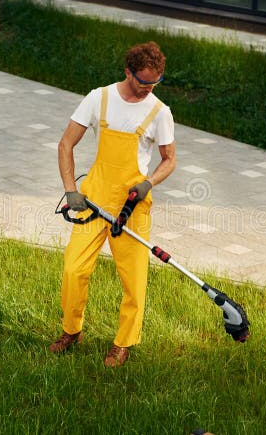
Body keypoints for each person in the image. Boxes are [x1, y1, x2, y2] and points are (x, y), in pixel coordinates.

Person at [51, 41, 177, 367]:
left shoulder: (160, 112)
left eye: (154, 83)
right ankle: (71, 330)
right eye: (142, 81)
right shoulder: (99, 98)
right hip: (93, 200)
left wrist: (148, 182)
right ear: (128, 71)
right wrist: (70, 191)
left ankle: (123, 342)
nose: (148, 88)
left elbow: (169, 160)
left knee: (134, 280)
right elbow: (66, 143)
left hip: (132, 205)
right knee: (74, 268)